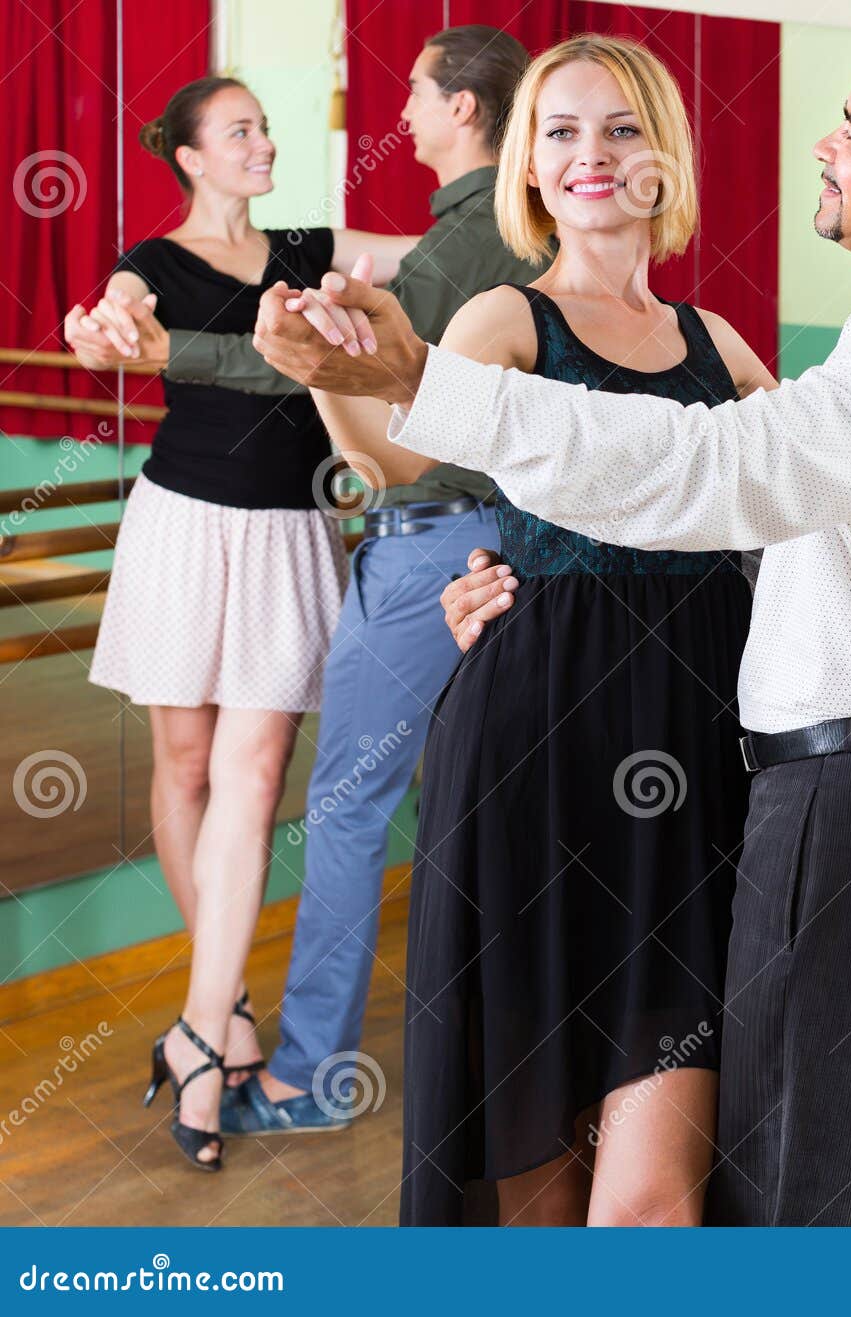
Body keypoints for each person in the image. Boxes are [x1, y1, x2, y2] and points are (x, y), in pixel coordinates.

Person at [257, 15, 851, 1227]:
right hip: (598, 749)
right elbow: (769, 509)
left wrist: (419, 377)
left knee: (814, 1195)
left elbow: (721, 475)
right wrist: (486, 576)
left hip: (814, 791)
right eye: (563, 130)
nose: (826, 146)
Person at [283, 34, 764, 1225]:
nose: (589, 154)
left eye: (618, 128)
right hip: (538, 722)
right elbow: (403, 460)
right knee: (533, 1137)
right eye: (559, 131)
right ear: (531, 170)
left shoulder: (722, 345)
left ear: (664, 156)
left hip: (704, 730)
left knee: (664, 1124)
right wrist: (324, 370)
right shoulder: (507, 316)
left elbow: (802, 515)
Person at [65, 75, 421, 1169]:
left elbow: (423, 247)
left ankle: (199, 1027)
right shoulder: (155, 260)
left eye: (266, 128)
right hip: (181, 524)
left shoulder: (308, 243)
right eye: (242, 133)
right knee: (184, 767)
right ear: (190, 156)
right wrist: (104, 329)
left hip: (286, 533)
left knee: (255, 776)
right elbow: (115, 314)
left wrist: (524, 197)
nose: (265, 144)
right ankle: (220, 1019)